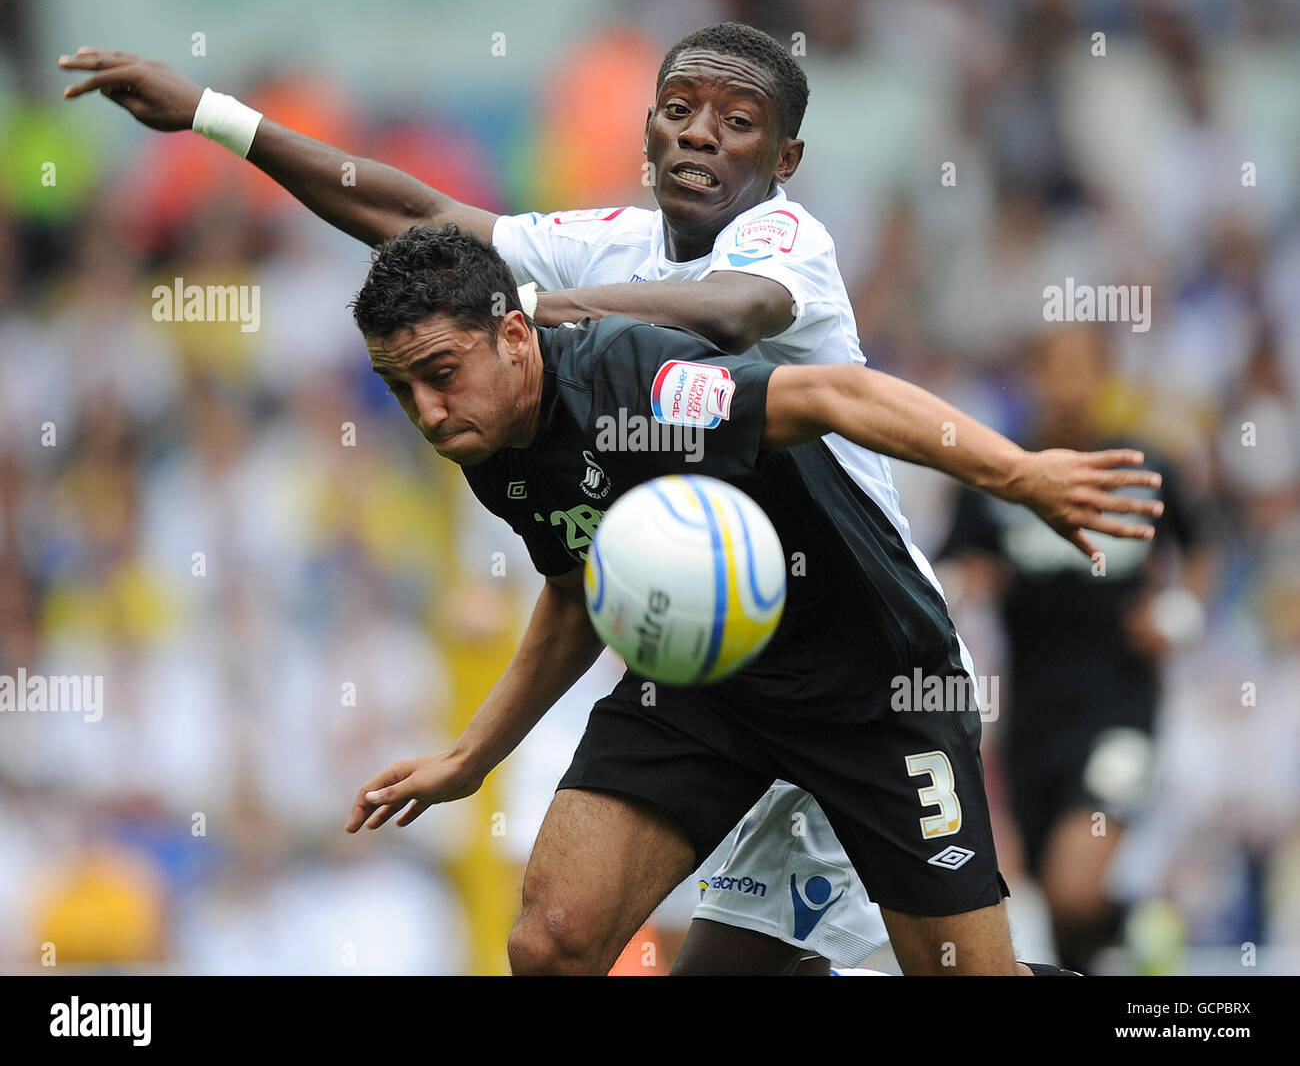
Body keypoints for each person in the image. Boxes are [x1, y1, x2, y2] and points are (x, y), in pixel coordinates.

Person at [340, 222, 1163, 975]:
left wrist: (1019, 473)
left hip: (872, 685)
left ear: (515, 335)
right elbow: (575, 587)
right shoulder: (488, 442)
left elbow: (837, 395)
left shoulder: (639, 380)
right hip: (710, 684)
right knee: (549, 944)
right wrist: (471, 757)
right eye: (400, 389)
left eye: (440, 374)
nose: (427, 410)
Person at [939, 325, 1215, 972]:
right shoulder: (994, 474)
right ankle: (1121, 944)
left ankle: (1148, 924)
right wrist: (966, 582)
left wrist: (1182, 607)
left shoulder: (1141, 469)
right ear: (1031, 378)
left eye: (1081, 369)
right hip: (1033, 715)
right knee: (1058, 914)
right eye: (1053, 369)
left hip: (1120, 704)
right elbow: (939, 572)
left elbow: (1201, 543)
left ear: (1105, 378)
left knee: (1073, 887)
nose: (1067, 386)